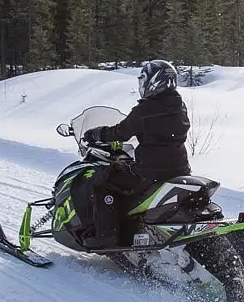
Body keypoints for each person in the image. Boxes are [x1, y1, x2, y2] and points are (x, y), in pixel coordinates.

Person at [81, 59, 189, 249]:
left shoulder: (145, 109)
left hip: (149, 171)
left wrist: (96, 133)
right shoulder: (179, 106)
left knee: (102, 183)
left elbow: (120, 132)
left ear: (154, 82)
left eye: (143, 81)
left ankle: (106, 236)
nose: (142, 86)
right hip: (179, 168)